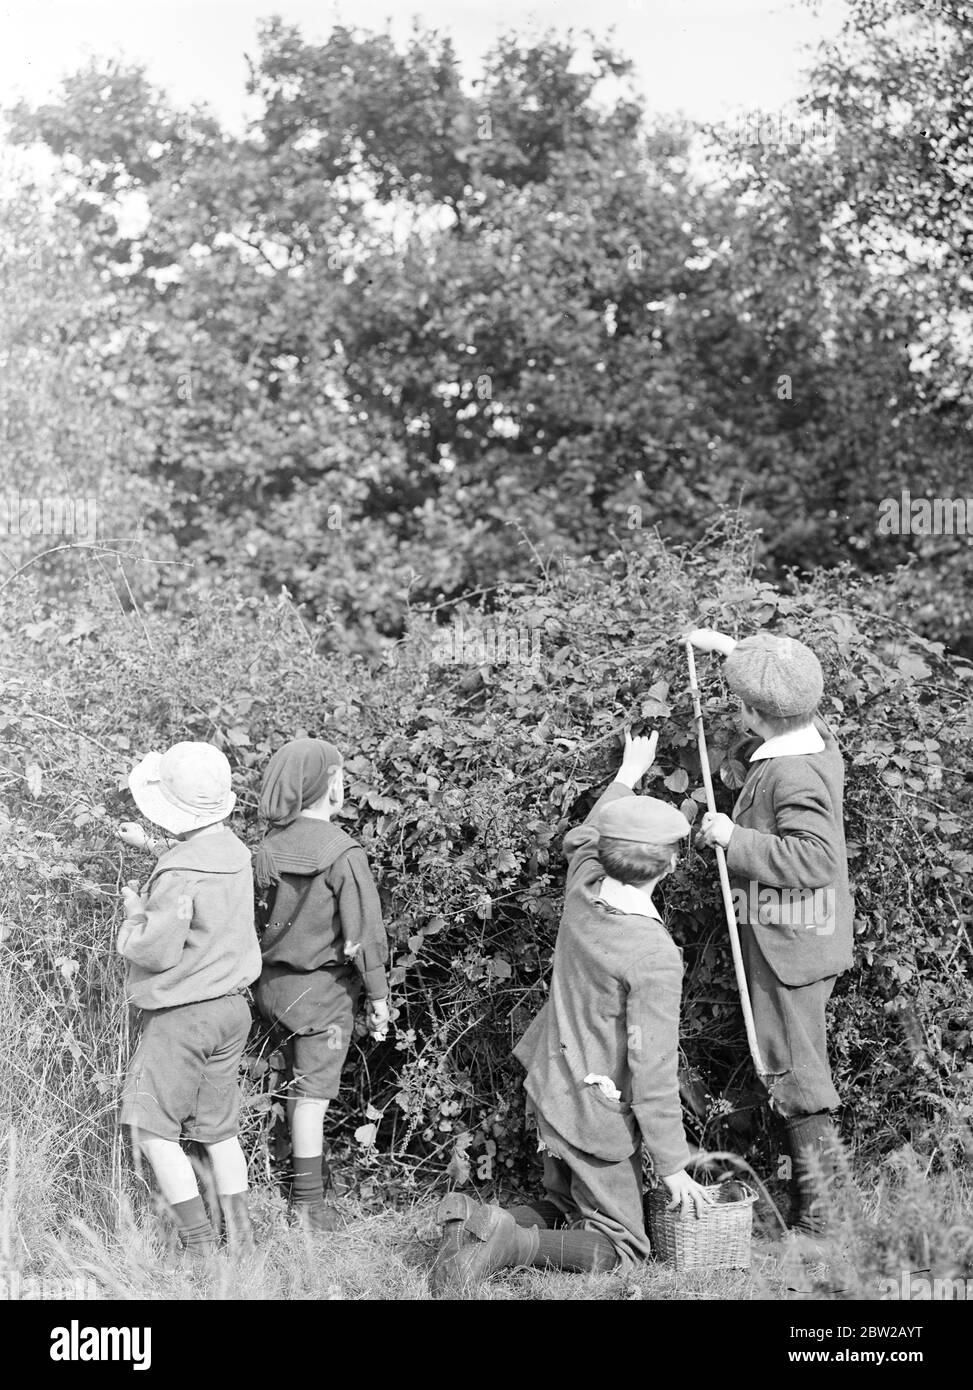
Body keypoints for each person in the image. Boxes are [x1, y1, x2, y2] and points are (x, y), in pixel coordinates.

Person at [431, 729, 713, 1294]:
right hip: (593, 1107)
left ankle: (478, 1224)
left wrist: (627, 774)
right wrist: (672, 1163)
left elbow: (584, 835)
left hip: (550, 1080)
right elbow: (651, 1064)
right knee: (623, 1247)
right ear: (669, 867)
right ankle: (510, 1243)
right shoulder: (654, 954)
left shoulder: (583, 883)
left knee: (562, 1202)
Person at [686, 628, 855, 1233]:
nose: (736, 713)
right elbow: (789, 687)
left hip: (794, 947)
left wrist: (736, 840)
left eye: (740, 704)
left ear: (756, 713)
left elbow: (814, 861)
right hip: (799, 937)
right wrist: (736, 651)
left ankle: (824, 1221)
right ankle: (810, 1205)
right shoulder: (813, 743)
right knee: (787, 1063)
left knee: (796, 1071)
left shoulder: (792, 775)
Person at [116, 741, 262, 1259]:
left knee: (153, 1131)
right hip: (232, 1009)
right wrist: (155, 849)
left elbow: (154, 949)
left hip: (184, 1017)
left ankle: (199, 1250)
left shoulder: (179, 873)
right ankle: (241, 1244)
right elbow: (198, 880)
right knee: (218, 1131)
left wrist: (136, 911)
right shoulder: (236, 855)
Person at [253, 738, 390, 1232]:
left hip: (268, 989)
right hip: (321, 997)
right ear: (329, 784)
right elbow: (366, 933)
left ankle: (283, 1173)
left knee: (284, 1085)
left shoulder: (266, 847)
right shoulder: (341, 852)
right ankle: (308, 1204)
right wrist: (378, 997)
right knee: (311, 1097)